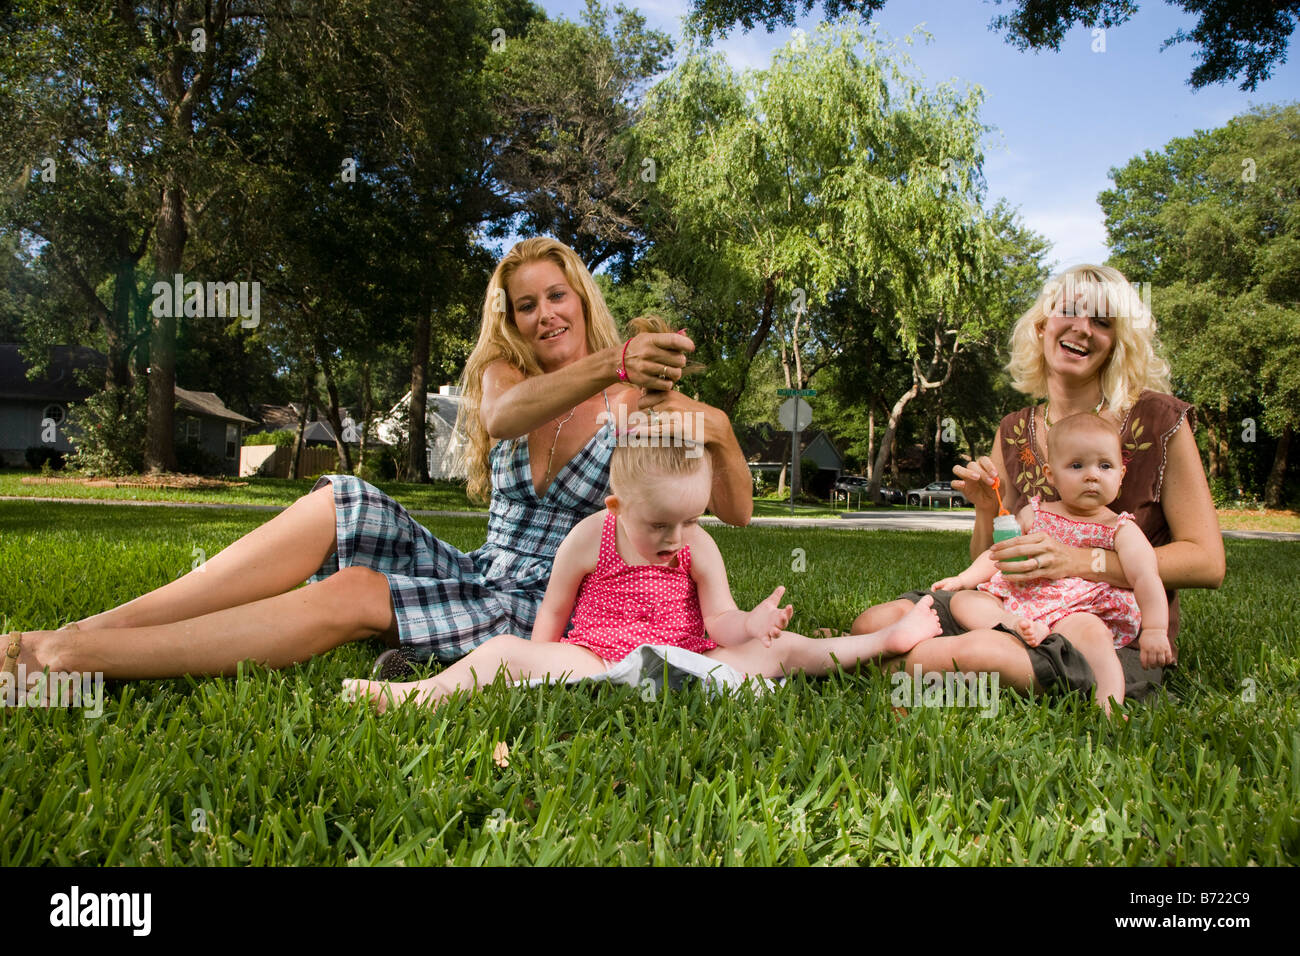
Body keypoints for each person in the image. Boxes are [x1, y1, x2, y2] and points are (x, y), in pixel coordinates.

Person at [2, 238, 754, 691]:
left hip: (544, 610)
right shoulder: (504, 375)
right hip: (482, 569)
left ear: (582, 298)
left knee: (357, 593)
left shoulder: (645, 409)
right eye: (525, 305)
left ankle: (71, 656)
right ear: (510, 319)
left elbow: (736, 512)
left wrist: (718, 431)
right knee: (346, 496)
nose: (544, 314)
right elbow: (501, 418)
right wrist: (609, 364)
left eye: (556, 295)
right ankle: (91, 628)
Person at [849, 264, 1224, 704]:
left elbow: (1207, 563)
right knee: (871, 622)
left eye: (1102, 322)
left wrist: (1078, 561)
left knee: (982, 654)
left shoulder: (1158, 419)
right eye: (1070, 311)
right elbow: (996, 559)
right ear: (1043, 324)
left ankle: (890, 664)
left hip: (1096, 630)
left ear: (1118, 342)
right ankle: (899, 656)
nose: (1082, 330)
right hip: (1010, 609)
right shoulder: (1013, 428)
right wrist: (986, 511)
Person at [344, 441, 943, 712]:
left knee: (782, 648)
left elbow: (720, 622)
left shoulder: (696, 546)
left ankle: (883, 641)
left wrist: (752, 622)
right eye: (660, 525)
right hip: (598, 661)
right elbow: (551, 616)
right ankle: (410, 696)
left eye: (690, 519)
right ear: (617, 509)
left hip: (685, 660)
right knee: (503, 649)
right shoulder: (587, 540)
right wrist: (538, 663)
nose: (676, 538)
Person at [927, 413, 1171, 713]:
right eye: (1077, 465)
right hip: (1022, 601)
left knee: (1095, 636)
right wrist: (964, 579)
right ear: (1051, 474)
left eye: (1105, 466)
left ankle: (1108, 706)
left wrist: (1156, 629)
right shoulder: (1036, 512)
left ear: (1121, 475)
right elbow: (1002, 552)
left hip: (1080, 609)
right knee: (965, 601)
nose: (1092, 475)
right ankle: (1014, 626)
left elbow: (1146, 576)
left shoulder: (1121, 529)